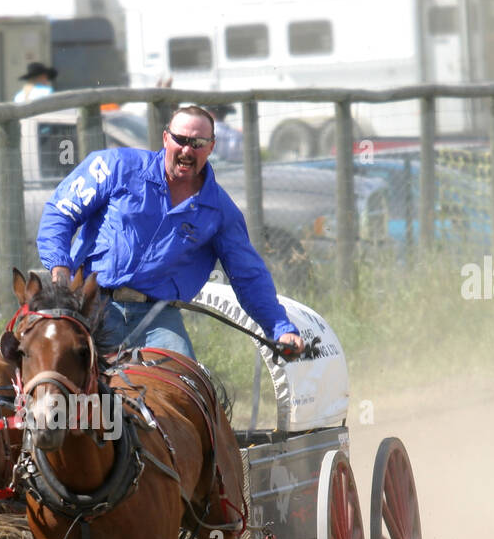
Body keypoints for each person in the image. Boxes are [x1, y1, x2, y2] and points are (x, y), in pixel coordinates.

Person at [36, 104, 303, 360]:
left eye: (197, 143)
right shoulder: (115, 166)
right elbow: (60, 213)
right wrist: (60, 269)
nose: (187, 149)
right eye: (180, 139)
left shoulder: (220, 211)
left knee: (187, 388)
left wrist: (280, 329)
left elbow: (248, 275)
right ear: (166, 138)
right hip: (91, 303)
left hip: (158, 318)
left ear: (211, 147)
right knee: (57, 375)